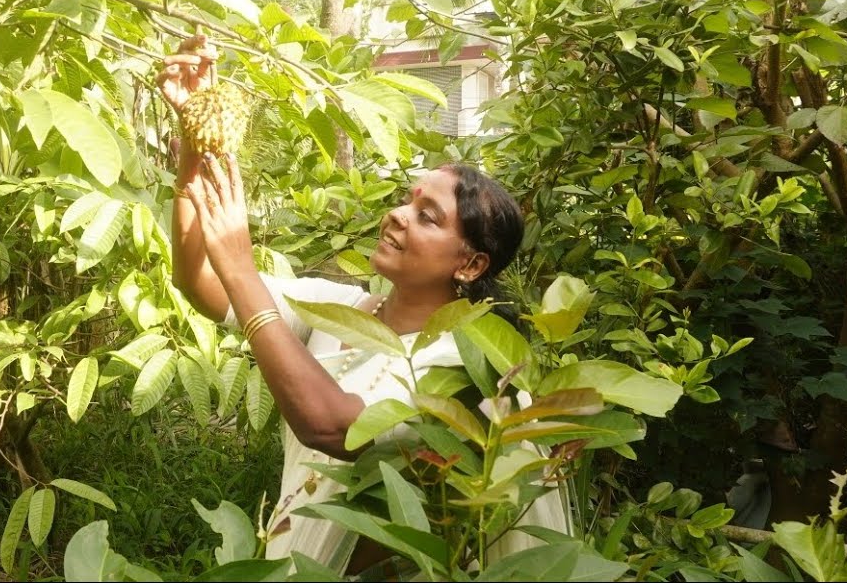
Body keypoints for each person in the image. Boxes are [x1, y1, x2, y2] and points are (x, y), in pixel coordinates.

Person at [157, 35, 570, 578]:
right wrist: (199, 141)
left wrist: (242, 267)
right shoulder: (344, 308)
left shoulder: (465, 367)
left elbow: (333, 426)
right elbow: (200, 281)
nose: (398, 215)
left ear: (470, 265)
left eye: (427, 216)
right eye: (407, 201)